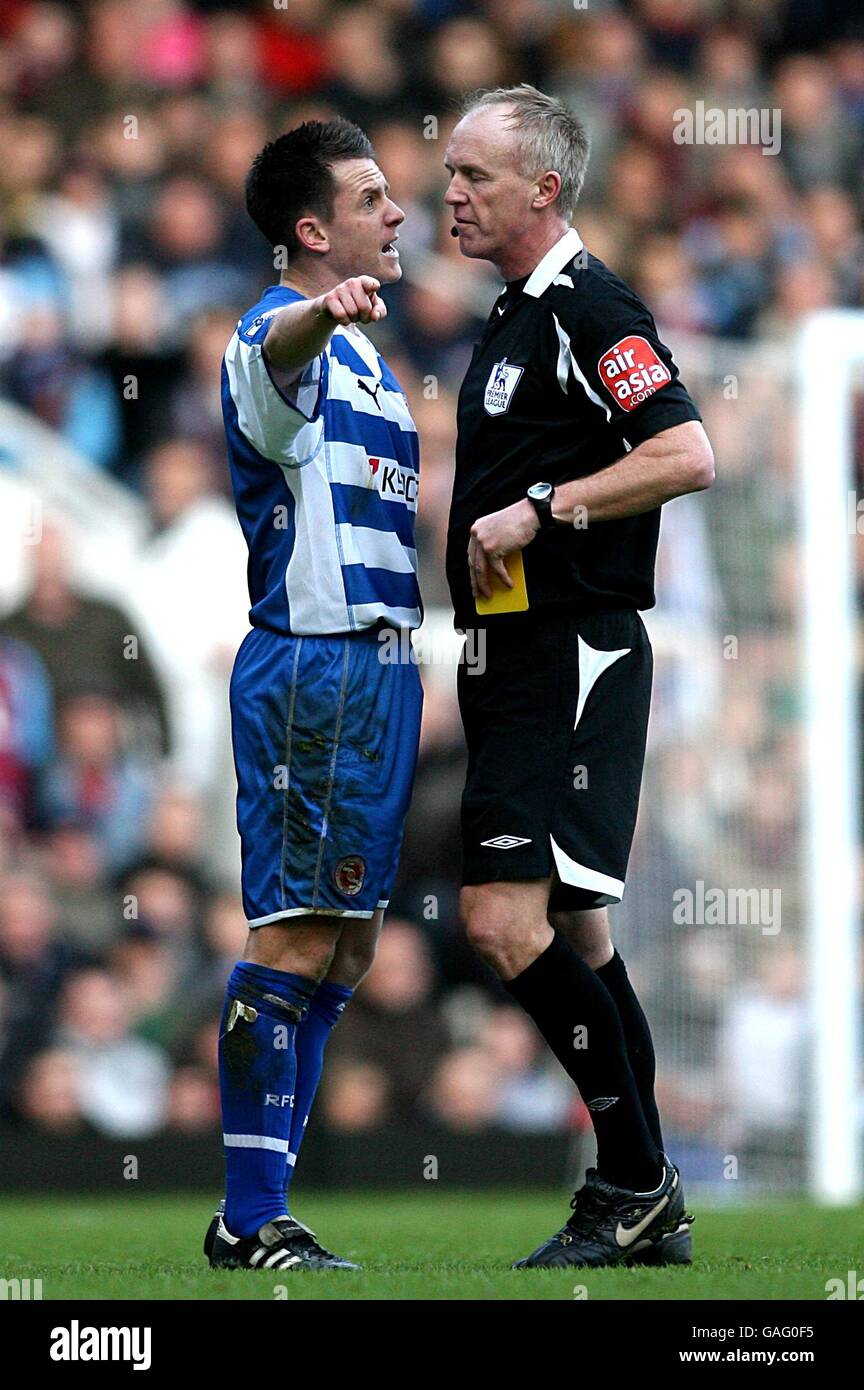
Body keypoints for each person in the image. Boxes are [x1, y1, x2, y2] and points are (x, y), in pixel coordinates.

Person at [444, 85, 715, 1268]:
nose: (450, 195)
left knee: (506, 924)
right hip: (514, 657)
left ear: (544, 189)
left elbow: (686, 451)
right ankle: (643, 1195)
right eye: (449, 173)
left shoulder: (589, 305)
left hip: (570, 651)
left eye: (475, 177)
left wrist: (549, 507)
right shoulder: (512, 313)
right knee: (581, 938)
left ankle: (637, 1179)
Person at [206, 119, 423, 1272]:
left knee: (346, 952)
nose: (396, 213)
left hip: (379, 676)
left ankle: (260, 1204)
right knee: (292, 941)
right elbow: (273, 358)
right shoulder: (273, 334)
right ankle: (250, 1218)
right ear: (311, 229)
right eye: (371, 197)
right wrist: (318, 313)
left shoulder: (376, 360)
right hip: (313, 672)